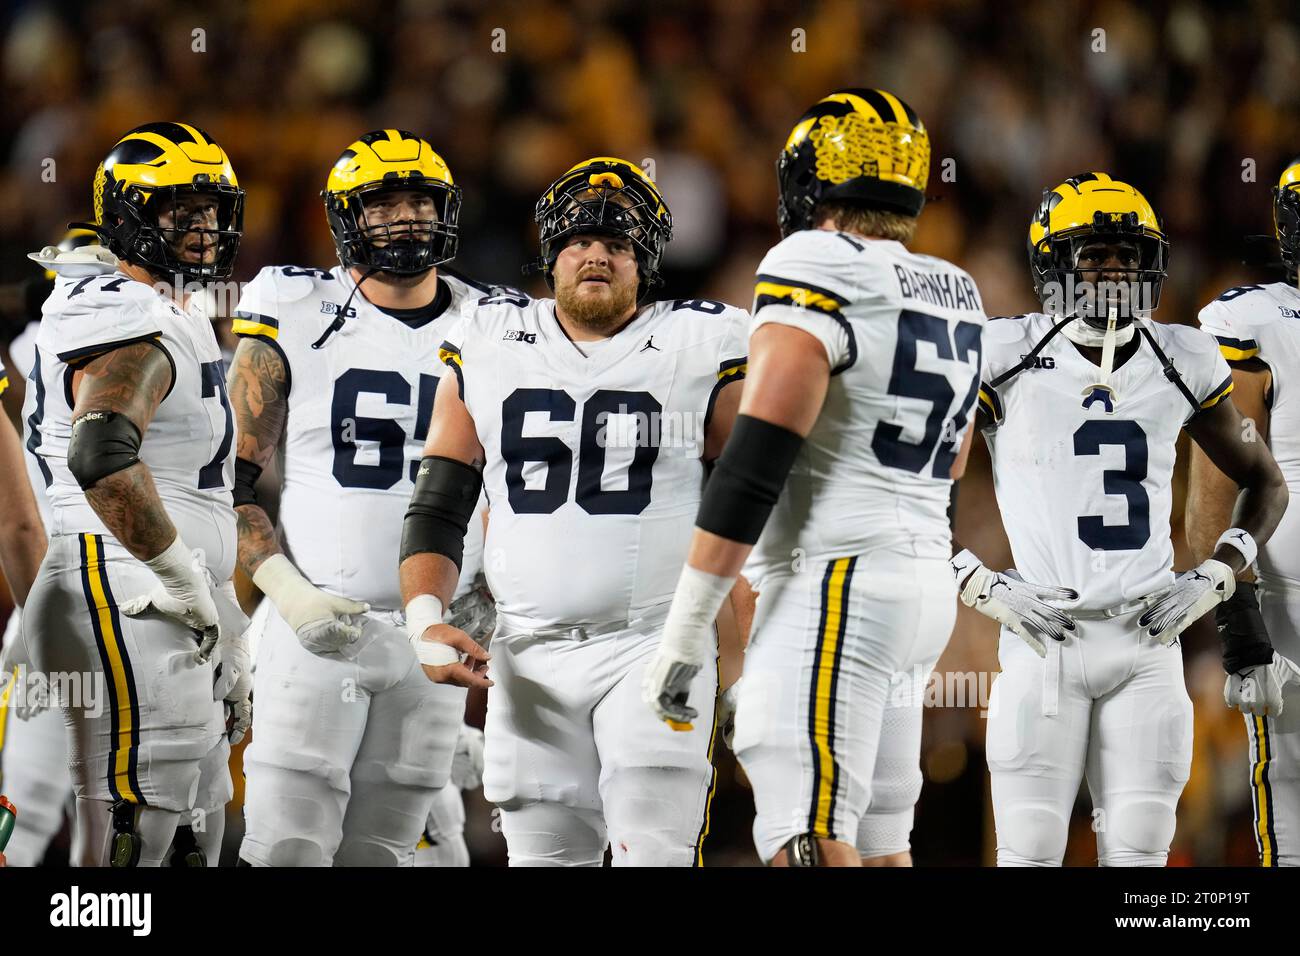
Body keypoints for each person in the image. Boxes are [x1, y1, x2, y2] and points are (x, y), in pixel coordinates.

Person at [644, 89, 984, 867]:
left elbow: (760, 451)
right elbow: (956, 457)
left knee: (805, 834)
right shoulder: (955, 287)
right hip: (919, 584)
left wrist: (688, 624)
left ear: (810, 183)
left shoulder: (812, 261)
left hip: (839, 584)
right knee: (881, 841)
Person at [399, 156, 749, 866]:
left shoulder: (702, 340)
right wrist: (424, 618)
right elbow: (439, 499)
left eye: (618, 244)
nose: (596, 255)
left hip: (654, 644)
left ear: (645, 263)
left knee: (655, 851)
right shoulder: (490, 336)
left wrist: (746, 655)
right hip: (527, 651)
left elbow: (756, 495)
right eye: (577, 241)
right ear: (549, 256)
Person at [957, 173, 1287, 866]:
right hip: (1043, 640)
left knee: (1141, 856)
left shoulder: (1184, 355)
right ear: (1054, 262)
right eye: (1096, 255)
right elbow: (921, 477)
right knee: (1030, 851)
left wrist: (1216, 577)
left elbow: (1264, 481)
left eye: (1127, 255)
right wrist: (975, 579)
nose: (1114, 271)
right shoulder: (1003, 353)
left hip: (1146, 642)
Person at [231, 130, 498, 867]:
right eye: (386, 205)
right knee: (287, 843)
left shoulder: (497, 320)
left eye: (420, 201)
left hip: (436, 631)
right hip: (317, 619)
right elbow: (229, 478)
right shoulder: (292, 302)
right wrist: (286, 595)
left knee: (385, 853)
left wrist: (496, 588)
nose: (407, 219)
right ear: (349, 217)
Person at [19, 123, 252, 867]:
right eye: (181, 211)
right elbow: (102, 453)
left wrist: (220, 603)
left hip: (154, 579)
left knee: (195, 819)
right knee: (140, 821)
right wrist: (187, 580)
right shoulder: (127, 311)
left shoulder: (170, 307)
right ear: (127, 217)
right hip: (124, 577)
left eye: (212, 210)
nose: (204, 229)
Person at [1188, 157, 1300, 866]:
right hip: (1287, 598)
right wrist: (1237, 615)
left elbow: (1210, 489)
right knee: (1287, 788)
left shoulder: (1253, 317)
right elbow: (1217, 482)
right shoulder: (1253, 319)